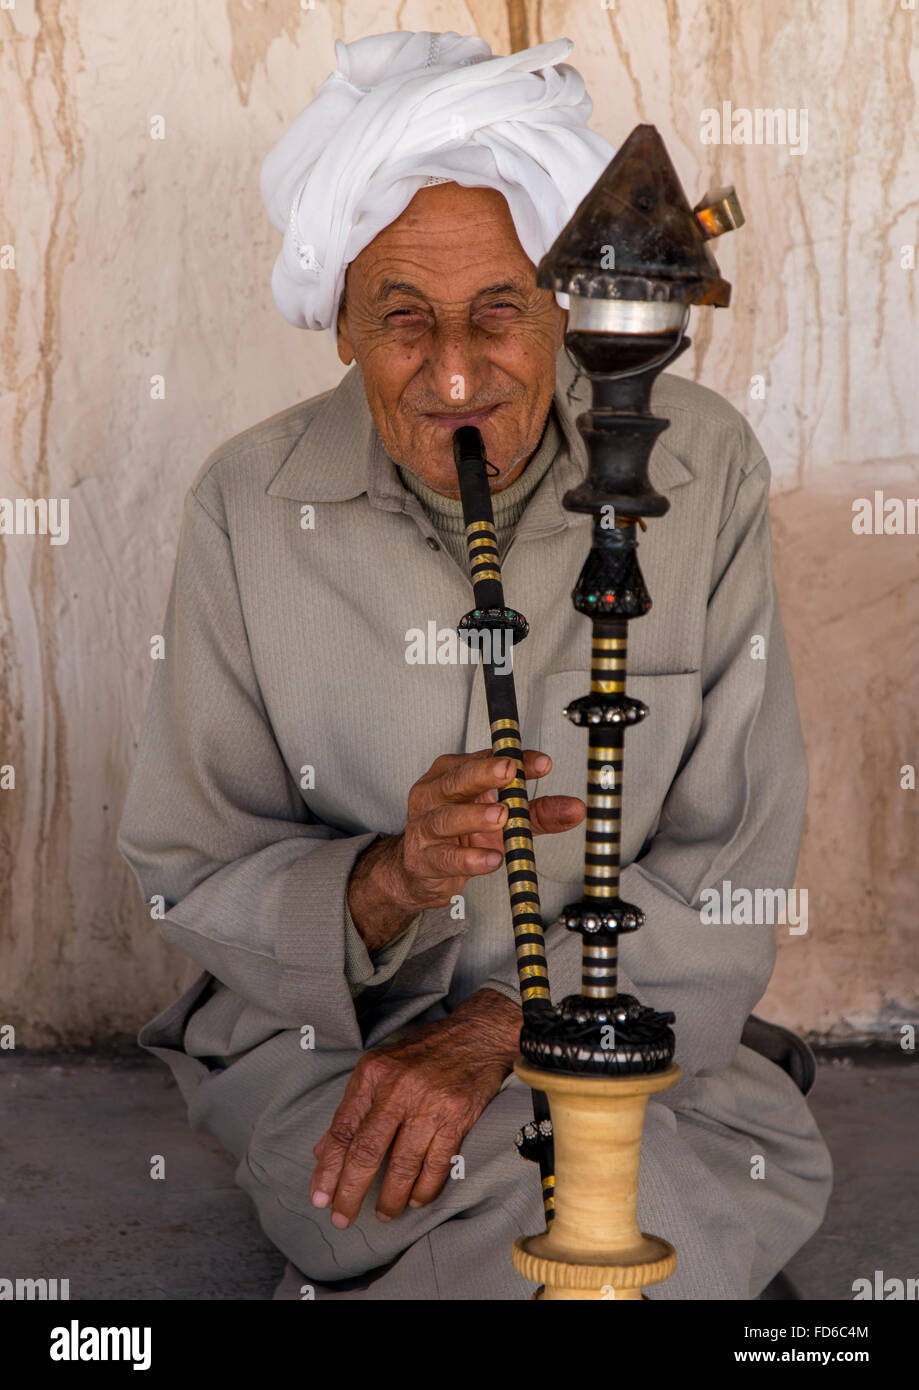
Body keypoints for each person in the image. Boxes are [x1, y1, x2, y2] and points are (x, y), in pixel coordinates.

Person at [118, 30, 832, 1300]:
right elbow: (189, 867)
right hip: (344, 1054)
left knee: (608, 1192)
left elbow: (733, 856)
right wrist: (382, 881)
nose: (455, 373)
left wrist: (507, 1026)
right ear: (337, 325)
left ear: (563, 304)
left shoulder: (697, 468)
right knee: (494, 1207)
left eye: (499, 311)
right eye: (403, 320)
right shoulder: (246, 503)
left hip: (646, 1045)